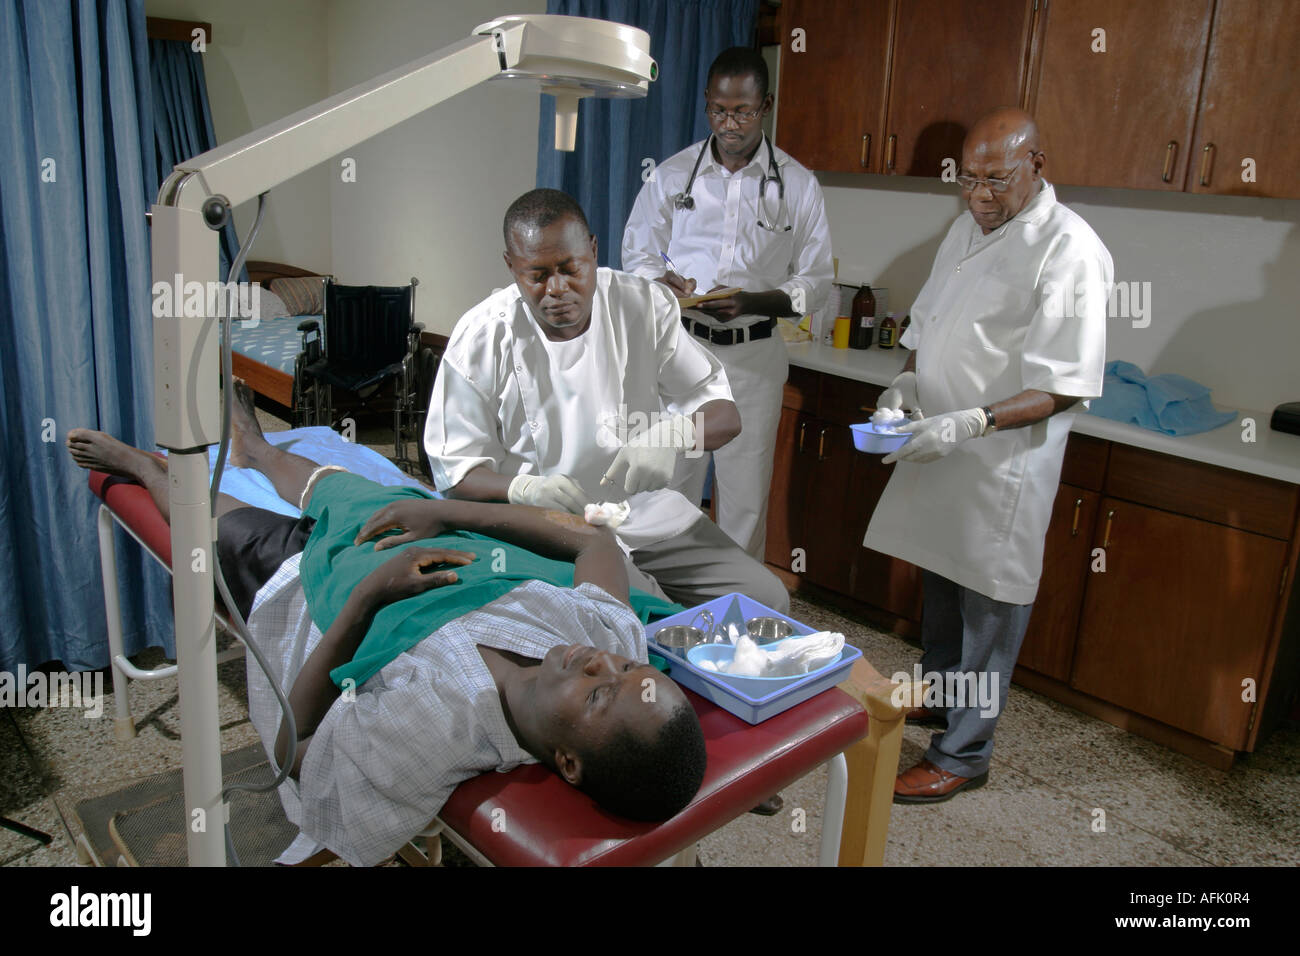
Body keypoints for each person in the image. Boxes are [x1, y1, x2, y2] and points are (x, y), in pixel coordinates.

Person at [67, 382, 707, 866]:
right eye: (626, 669)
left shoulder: (434, 730)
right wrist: (449, 513)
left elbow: (292, 751)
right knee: (344, 490)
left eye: (597, 694)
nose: (599, 662)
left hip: (325, 593)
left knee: (234, 533)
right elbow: (592, 544)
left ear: (567, 764)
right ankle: (257, 448)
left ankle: (149, 469)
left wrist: (367, 600)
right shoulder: (607, 637)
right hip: (432, 540)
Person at [863, 108, 1111, 804]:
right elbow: (929, 324)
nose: (978, 197)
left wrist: (971, 421)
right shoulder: (965, 230)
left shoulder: (1070, 250)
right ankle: (940, 695)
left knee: (989, 611)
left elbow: (1065, 384)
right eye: (967, 180)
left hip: (1002, 466)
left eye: (995, 181)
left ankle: (965, 754)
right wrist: (906, 383)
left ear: (1038, 163)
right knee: (942, 588)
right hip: (942, 449)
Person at [424, 187, 791, 615]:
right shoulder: (483, 336)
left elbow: (725, 415)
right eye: (536, 275)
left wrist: (674, 434)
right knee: (640, 611)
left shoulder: (641, 304)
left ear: (593, 251)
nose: (556, 289)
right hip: (544, 525)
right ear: (511, 266)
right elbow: (455, 473)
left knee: (766, 601)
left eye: (570, 268)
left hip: (641, 513)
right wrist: (524, 488)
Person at [621, 46, 833, 560]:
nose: (730, 123)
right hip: (683, 351)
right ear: (706, 105)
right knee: (672, 482)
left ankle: (735, 609)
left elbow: (820, 279)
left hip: (754, 358)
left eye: (742, 110)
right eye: (718, 110)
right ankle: (665, 600)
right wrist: (660, 283)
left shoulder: (798, 184)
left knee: (745, 496)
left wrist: (753, 301)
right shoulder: (672, 176)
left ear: (766, 106)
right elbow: (637, 253)